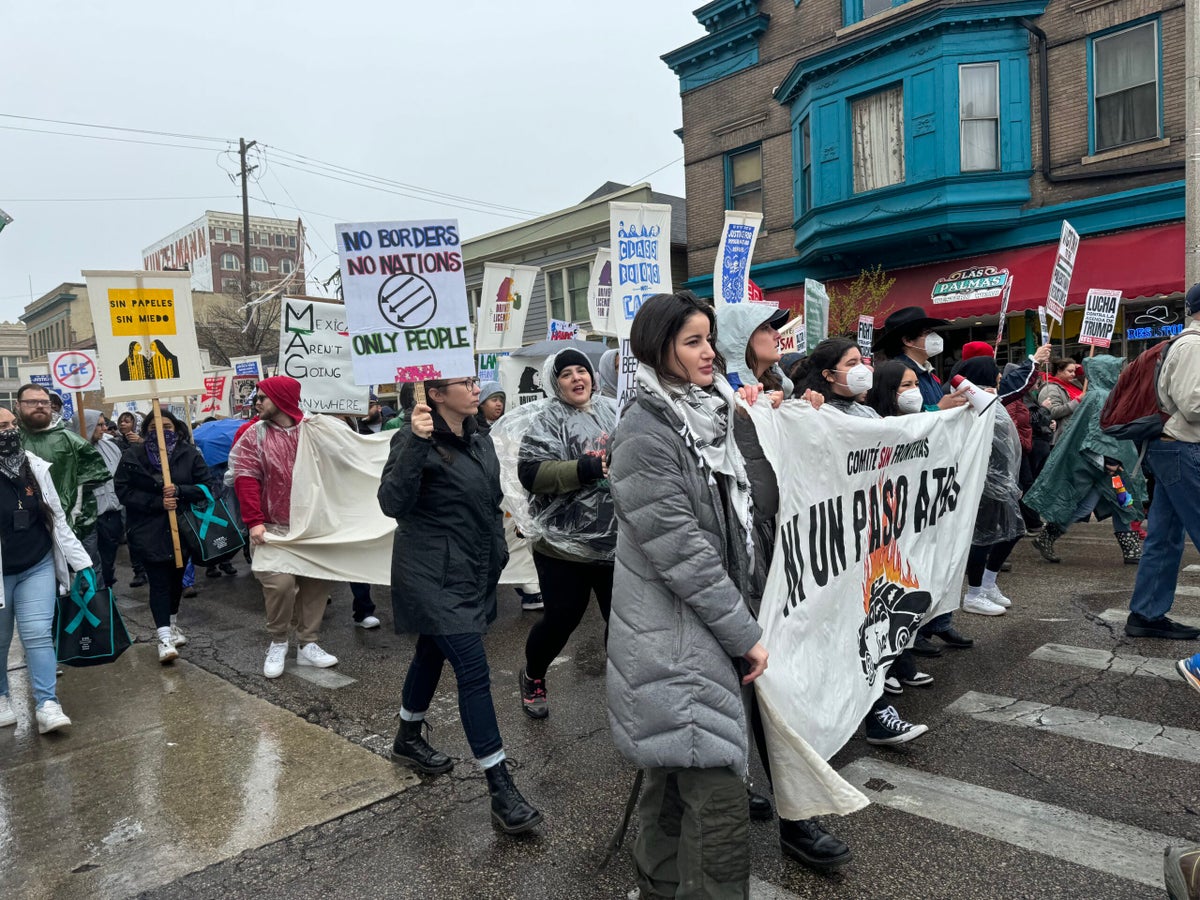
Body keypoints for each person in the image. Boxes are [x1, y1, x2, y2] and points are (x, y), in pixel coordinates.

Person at [607, 291, 768, 897]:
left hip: (697, 624)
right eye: (692, 341)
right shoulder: (646, 432)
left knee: (674, 772)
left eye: (709, 338)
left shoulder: (709, 413)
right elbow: (683, 553)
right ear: (659, 349)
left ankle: (658, 885)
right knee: (719, 796)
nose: (709, 352)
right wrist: (743, 635)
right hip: (674, 635)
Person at [716, 306, 854, 871]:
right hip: (737, 559)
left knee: (773, 680)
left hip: (781, 551)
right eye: (765, 328)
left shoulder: (776, 388)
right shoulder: (720, 400)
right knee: (747, 682)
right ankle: (777, 807)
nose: (777, 336)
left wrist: (808, 412)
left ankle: (784, 808)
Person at [379, 375, 541, 834]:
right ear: (435, 394)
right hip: (432, 576)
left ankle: (408, 737)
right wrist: (414, 441)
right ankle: (500, 788)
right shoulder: (411, 440)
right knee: (472, 671)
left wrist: (499, 553)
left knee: (431, 651)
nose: (477, 389)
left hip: (473, 570)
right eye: (464, 383)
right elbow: (392, 503)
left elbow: (489, 504)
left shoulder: (480, 439)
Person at [801, 338, 929, 746]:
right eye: (851, 362)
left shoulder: (868, 412)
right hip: (834, 542)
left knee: (866, 622)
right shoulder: (812, 413)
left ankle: (876, 711)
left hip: (868, 538)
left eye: (863, 360)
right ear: (827, 374)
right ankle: (846, 717)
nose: (862, 368)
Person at [508, 348, 617, 719]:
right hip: (562, 547)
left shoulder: (612, 411)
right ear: (556, 383)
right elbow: (531, 475)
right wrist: (583, 469)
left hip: (613, 542)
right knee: (562, 620)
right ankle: (533, 674)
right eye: (566, 373)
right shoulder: (546, 420)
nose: (576, 378)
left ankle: (626, 690)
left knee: (622, 622)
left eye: (581, 371)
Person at [230, 376, 339, 677]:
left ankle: (308, 643)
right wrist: (254, 522)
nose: (258, 402)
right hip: (272, 527)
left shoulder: (314, 431)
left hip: (312, 524)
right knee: (280, 584)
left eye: (263, 397)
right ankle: (279, 640)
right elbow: (245, 477)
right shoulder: (254, 434)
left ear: (280, 398)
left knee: (316, 583)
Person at [0, 406, 94, 734]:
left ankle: (46, 703)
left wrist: (81, 563)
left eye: (12, 424)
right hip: (1, 572)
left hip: (36, 563)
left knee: (38, 633)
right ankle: (1, 696)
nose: (9, 431)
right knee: (0, 638)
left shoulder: (34, 466)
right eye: (1, 426)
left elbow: (57, 518)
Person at [1025, 355, 1148, 566]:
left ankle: (1131, 550)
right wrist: (1109, 458)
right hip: (1104, 465)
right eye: (1117, 370)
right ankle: (1048, 536)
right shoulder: (1100, 396)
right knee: (1099, 504)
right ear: (1105, 372)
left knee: (1119, 503)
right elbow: (1099, 432)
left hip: (1108, 464)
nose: (1120, 374)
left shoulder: (1102, 394)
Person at [1129, 284, 1200, 641]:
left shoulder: (1186, 344)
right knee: (1167, 536)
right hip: (1184, 449)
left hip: (1174, 448)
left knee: (1164, 537)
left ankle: (1146, 613)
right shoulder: (1193, 346)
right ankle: (1146, 613)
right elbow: (1193, 404)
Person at [115, 410, 214, 663]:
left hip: (183, 529)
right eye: (154, 427)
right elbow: (124, 491)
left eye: (167, 426)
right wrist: (157, 502)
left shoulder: (188, 453)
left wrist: (181, 490)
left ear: (177, 428)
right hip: (148, 530)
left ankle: (171, 623)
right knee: (158, 581)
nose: (161, 431)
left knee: (176, 579)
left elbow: (207, 486)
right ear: (146, 430)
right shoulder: (133, 456)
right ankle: (163, 638)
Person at [949, 355, 1026, 616]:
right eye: (995, 372)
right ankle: (974, 593)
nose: (1000, 376)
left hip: (1002, 479)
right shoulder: (969, 400)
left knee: (1012, 530)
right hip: (983, 482)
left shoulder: (991, 398)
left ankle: (989, 583)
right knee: (983, 537)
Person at [16, 384, 111, 581]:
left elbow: (90, 477)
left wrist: (75, 515)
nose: (39, 406)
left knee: (85, 579)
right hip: (26, 530)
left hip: (74, 524)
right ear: (18, 406)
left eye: (44, 402)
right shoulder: (11, 441)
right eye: (32, 402)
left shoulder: (70, 440)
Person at [873, 306, 969, 412]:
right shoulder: (896, 374)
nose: (935, 337)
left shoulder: (928, 372)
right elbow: (900, 416)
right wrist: (939, 408)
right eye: (927, 333)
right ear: (908, 340)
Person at [84, 410, 125, 589]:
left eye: (104, 424)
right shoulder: (73, 449)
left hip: (112, 513)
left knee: (108, 559)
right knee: (91, 560)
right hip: (87, 515)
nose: (104, 428)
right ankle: (95, 596)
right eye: (99, 425)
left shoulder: (111, 446)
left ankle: (107, 588)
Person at [1039, 357, 1086, 443]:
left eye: (1074, 371)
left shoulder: (1073, 383)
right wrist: (1077, 401)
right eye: (1070, 371)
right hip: (1063, 436)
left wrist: (1079, 368)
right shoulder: (1050, 388)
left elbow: (1086, 378)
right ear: (1059, 371)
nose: (1073, 374)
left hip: (1077, 432)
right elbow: (1051, 412)